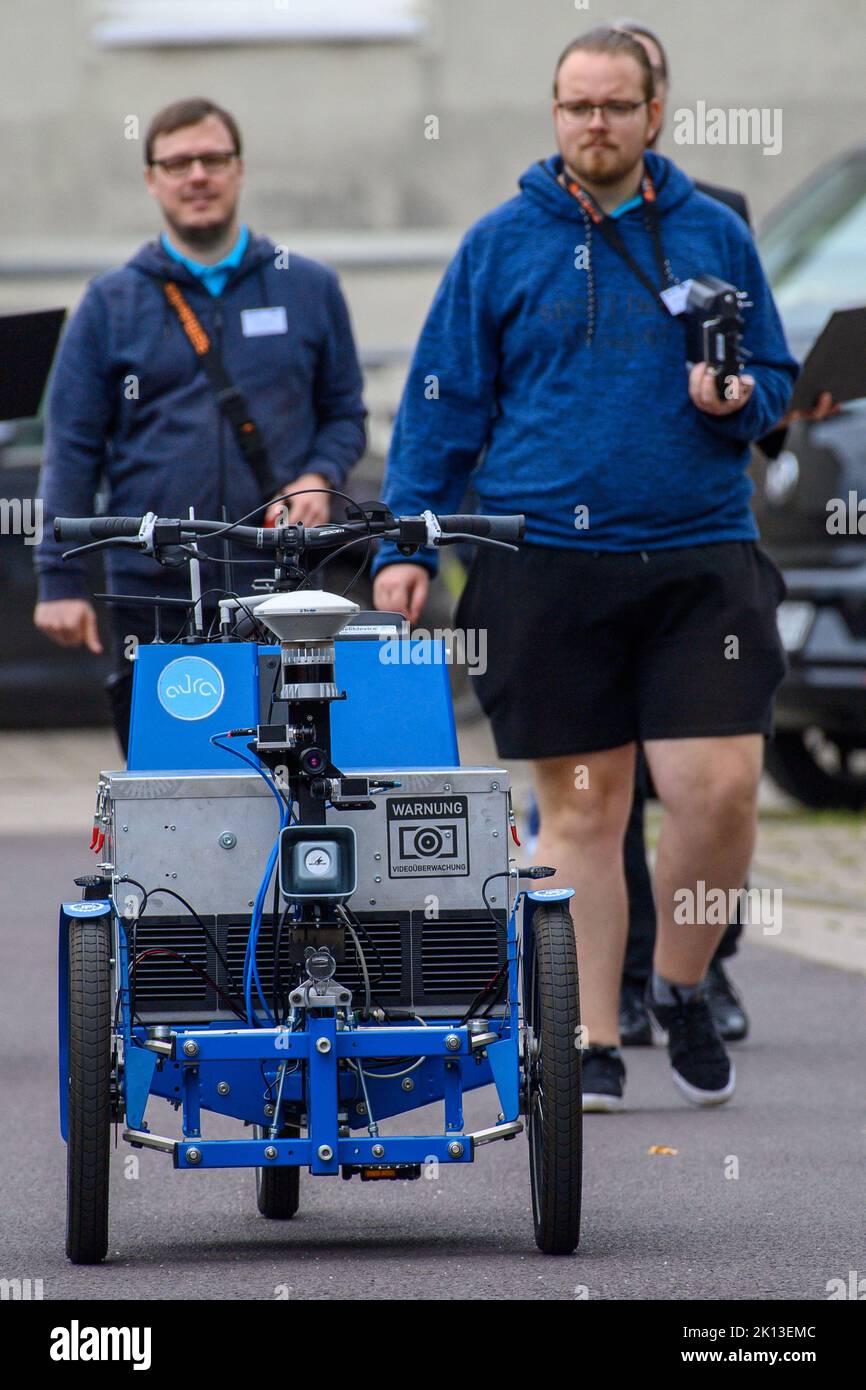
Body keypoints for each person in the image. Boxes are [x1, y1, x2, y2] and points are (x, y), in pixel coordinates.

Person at [372, 25, 798, 1112]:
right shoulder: (499, 243)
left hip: (698, 552)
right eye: (574, 106)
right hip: (542, 564)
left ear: (655, 111)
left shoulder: (712, 229)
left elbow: (776, 372)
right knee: (583, 808)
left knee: (721, 790)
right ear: (554, 112)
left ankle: (684, 984)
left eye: (613, 105)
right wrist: (404, 542)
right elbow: (439, 404)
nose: (591, 125)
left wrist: (742, 397)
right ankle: (591, 1035)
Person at [34, 97, 366, 753]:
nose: (197, 175)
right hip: (152, 591)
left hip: (284, 588)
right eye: (178, 162)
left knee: (299, 775)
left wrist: (321, 475)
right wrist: (59, 580)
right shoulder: (110, 302)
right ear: (152, 178)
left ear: (239, 170)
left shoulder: (306, 286)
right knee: (169, 791)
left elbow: (345, 413)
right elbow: (71, 447)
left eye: (213, 158)